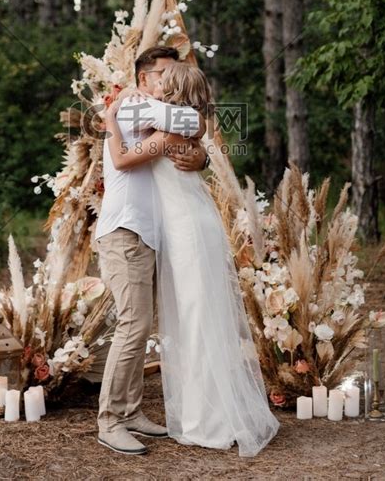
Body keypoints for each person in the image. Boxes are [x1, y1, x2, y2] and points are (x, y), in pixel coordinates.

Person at [105, 61, 279, 456]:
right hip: (183, 229)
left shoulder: (169, 128)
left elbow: (125, 157)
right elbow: (195, 124)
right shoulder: (171, 119)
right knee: (195, 319)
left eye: (166, 79)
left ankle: (211, 421)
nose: (159, 82)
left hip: (188, 232)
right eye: (156, 75)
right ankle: (209, 413)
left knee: (199, 319)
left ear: (172, 90)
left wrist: (111, 118)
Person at [95, 46, 209, 455]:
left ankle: (130, 411)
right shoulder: (131, 108)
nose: (172, 80)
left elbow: (193, 132)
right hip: (124, 231)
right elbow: (193, 122)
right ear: (144, 79)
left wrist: (202, 159)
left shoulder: (153, 110)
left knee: (141, 327)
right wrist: (111, 116)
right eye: (164, 73)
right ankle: (109, 420)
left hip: (147, 235)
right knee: (133, 325)